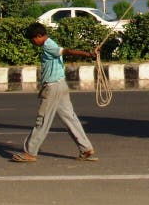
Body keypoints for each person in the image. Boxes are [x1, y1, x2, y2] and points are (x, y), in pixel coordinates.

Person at [11, 22, 99, 163]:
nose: (33, 42)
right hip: (61, 85)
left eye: (33, 39)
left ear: (39, 36)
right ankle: (85, 148)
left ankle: (30, 152)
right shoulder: (51, 43)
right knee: (70, 118)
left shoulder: (48, 46)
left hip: (52, 88)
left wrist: (88, 54)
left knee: (43, 120)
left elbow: (67, 51)